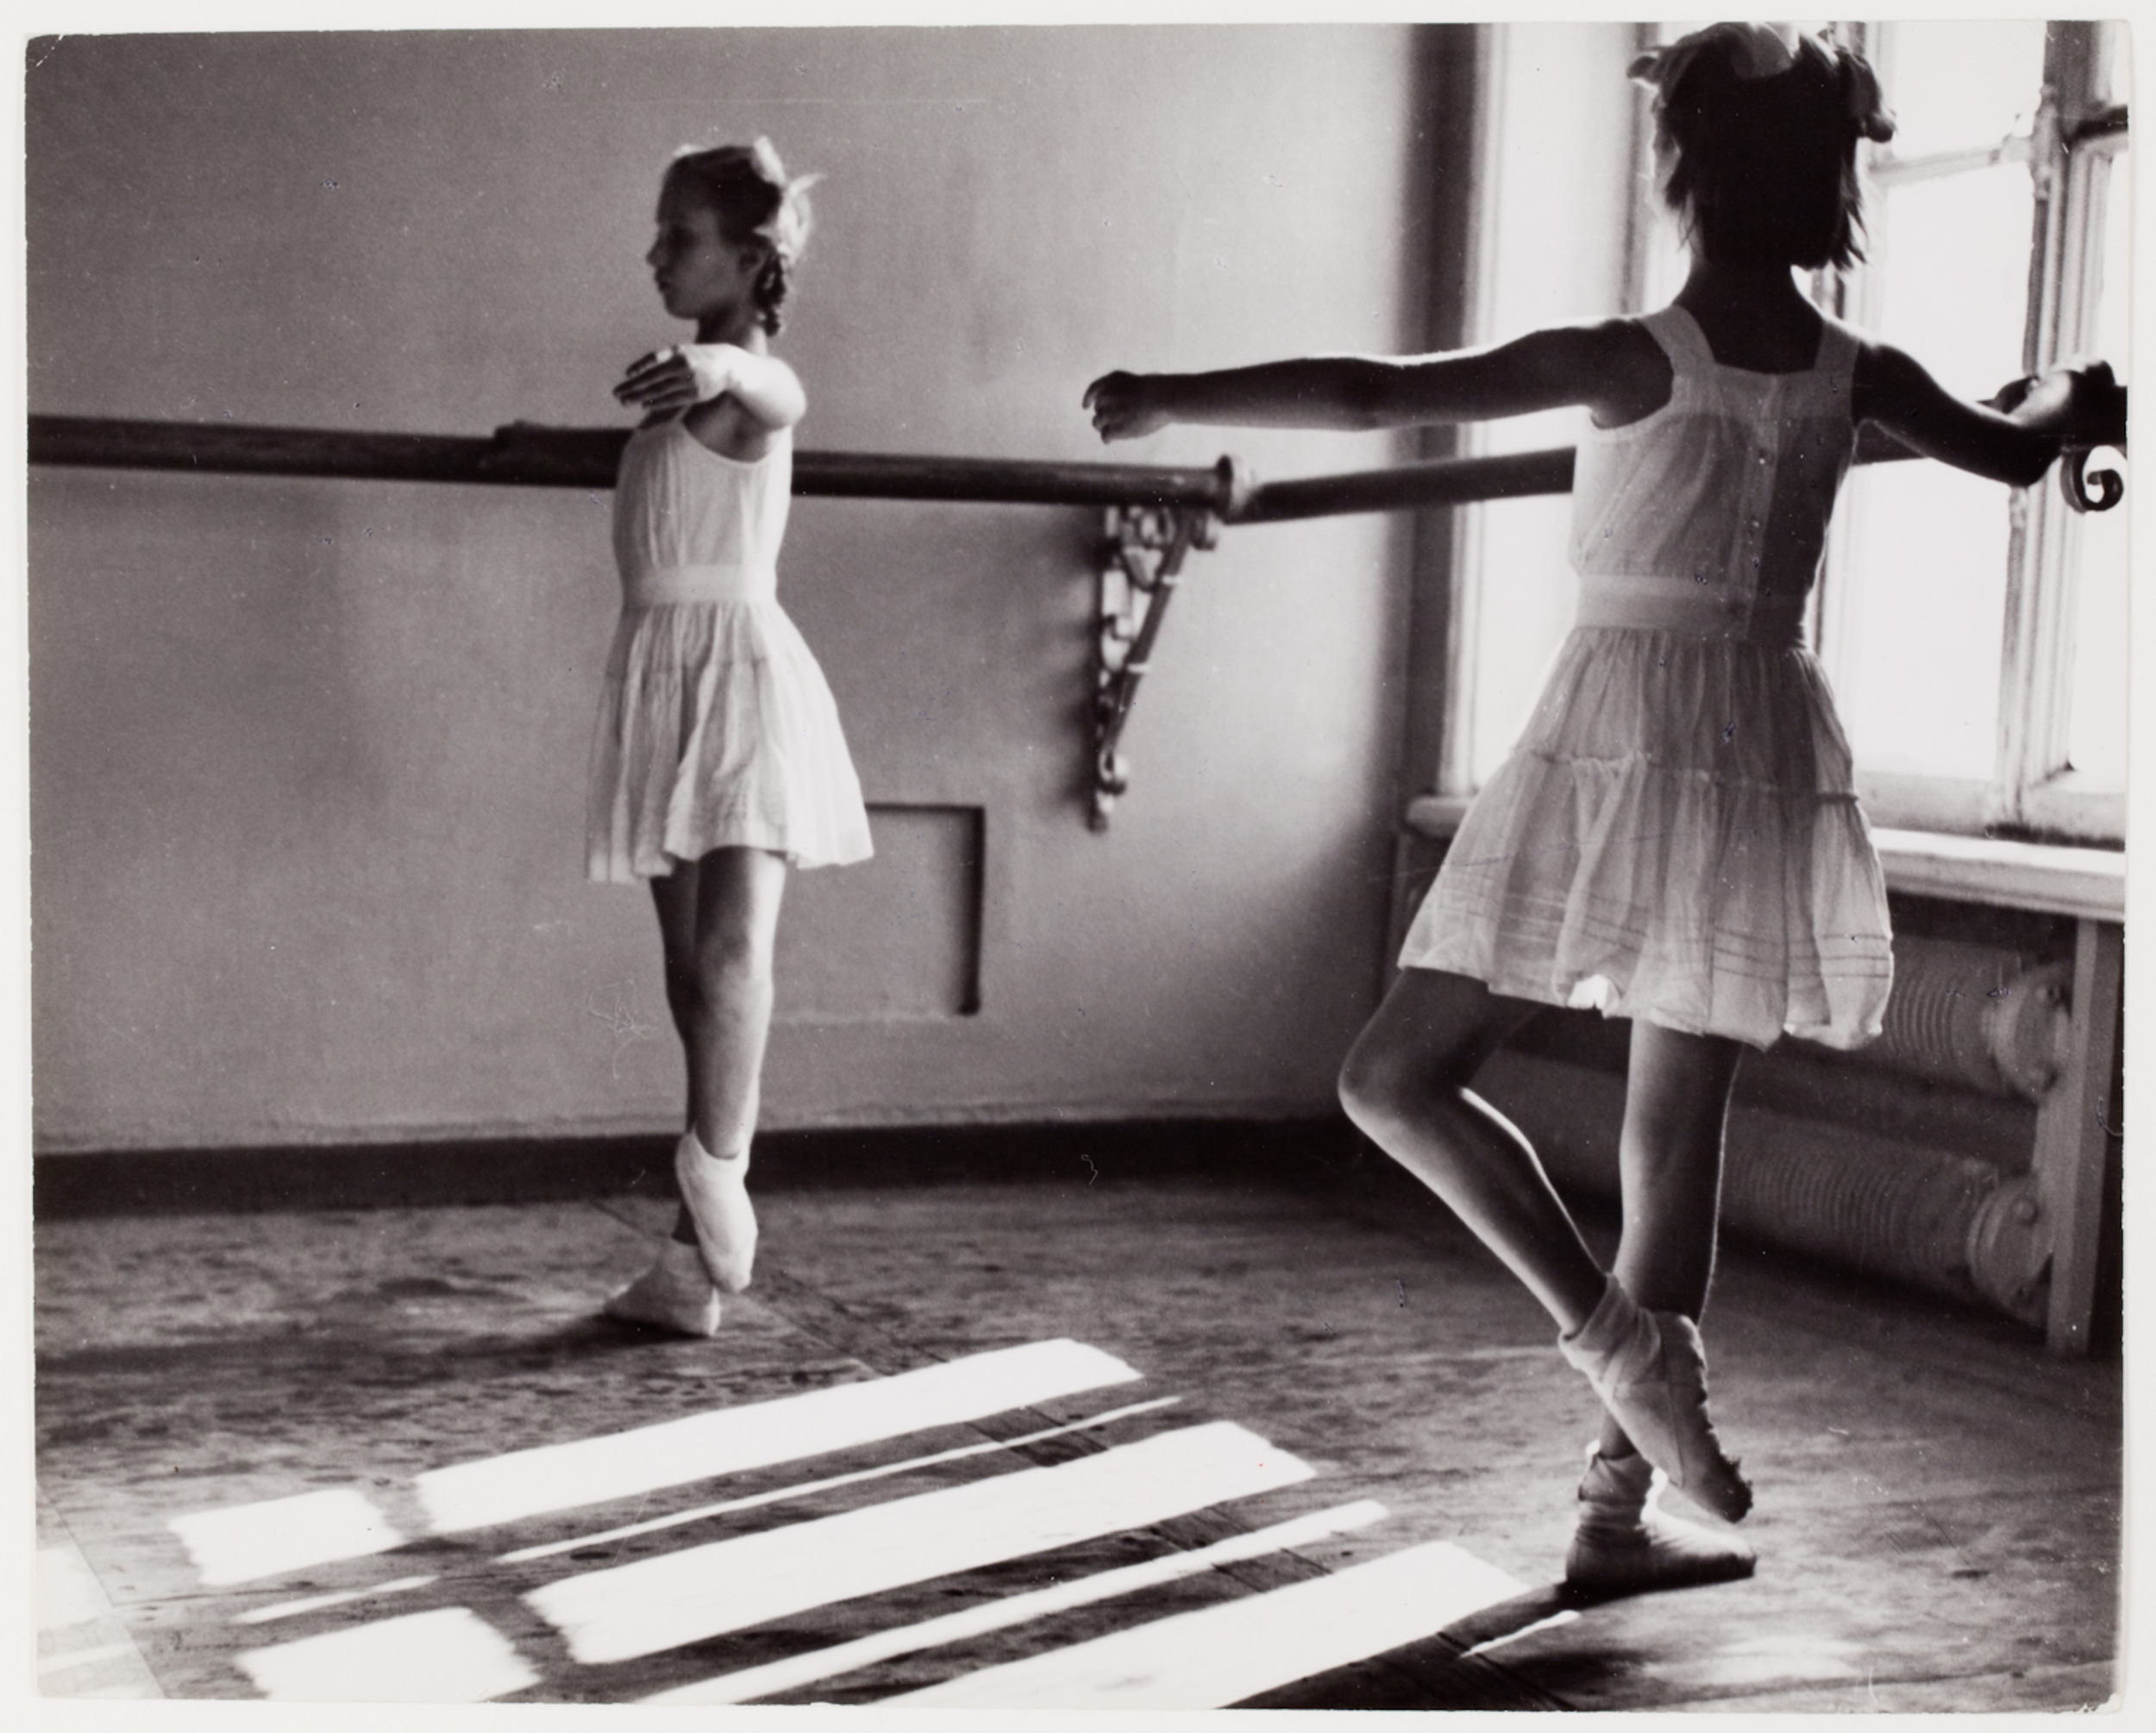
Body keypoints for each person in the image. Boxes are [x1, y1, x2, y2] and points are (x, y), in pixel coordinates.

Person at [1083, 24, 2120, 1594]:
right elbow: (2019, 446)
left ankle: (1622, 1368)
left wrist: (1175, 393)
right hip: (1756, 742)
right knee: (1669, 1142)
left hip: (1622, 733)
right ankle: (1614, 1506)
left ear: (1684, 179)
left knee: (1392, 1077)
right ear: (1822, 188)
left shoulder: (1637, 354)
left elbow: (1381, 392)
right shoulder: (1865, 376)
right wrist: (2076, 396)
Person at [592, 138, 872, 1337]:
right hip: (663, 674)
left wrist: (716, 358)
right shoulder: (681, 397)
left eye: (680, 235)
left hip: (740, 677)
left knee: (728, 956)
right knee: (684, 971)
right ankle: (685, 1268)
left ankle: (716, 1176)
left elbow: (780, 393)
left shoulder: (744, 380)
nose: (656, 254)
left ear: (752, 259)